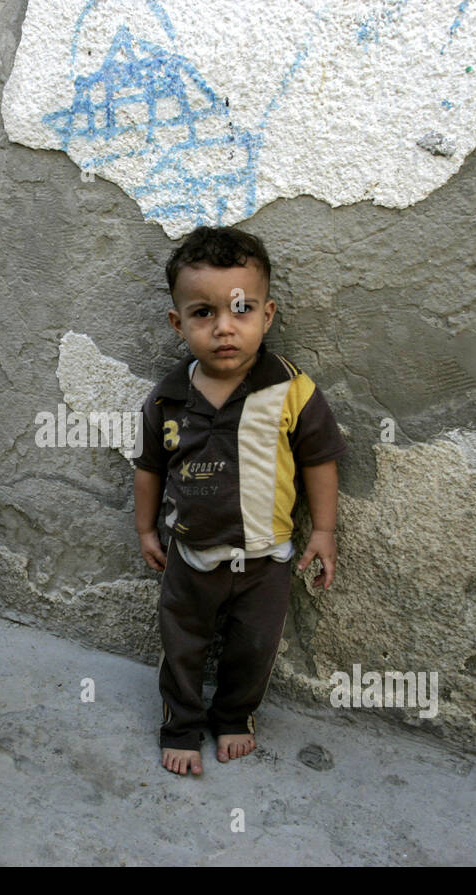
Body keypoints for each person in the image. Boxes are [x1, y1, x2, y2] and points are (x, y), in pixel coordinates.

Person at [134, 225, 347, 776]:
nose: (224, 327)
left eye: (241, 308)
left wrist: (323, 531)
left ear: (268, 314)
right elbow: (150, 468)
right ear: (178, 324)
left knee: (253, 650)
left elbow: (320, 460)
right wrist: (144, 531)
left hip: (265, 561)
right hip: (191, 557)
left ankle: (234, 715)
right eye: (204, 313)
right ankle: (180, 724)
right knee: (181, 646)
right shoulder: (168, 396)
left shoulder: (291, 390)